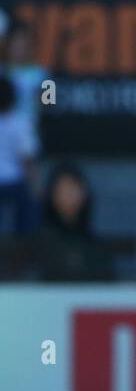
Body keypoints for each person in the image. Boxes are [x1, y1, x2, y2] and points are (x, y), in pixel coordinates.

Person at [37, 162, 112, 281]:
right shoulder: (43, 243)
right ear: (52, 195)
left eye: (72, 188)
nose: (68, 195)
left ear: (84, 192)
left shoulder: (95, 244)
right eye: (62, 190)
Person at [0, 75, 38, 237]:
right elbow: (27, 160)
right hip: (15, 184)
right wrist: (37, 188)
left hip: (14, 183)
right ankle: (22, 252)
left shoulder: (20, 122)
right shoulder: (21, 123)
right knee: (31, 211)